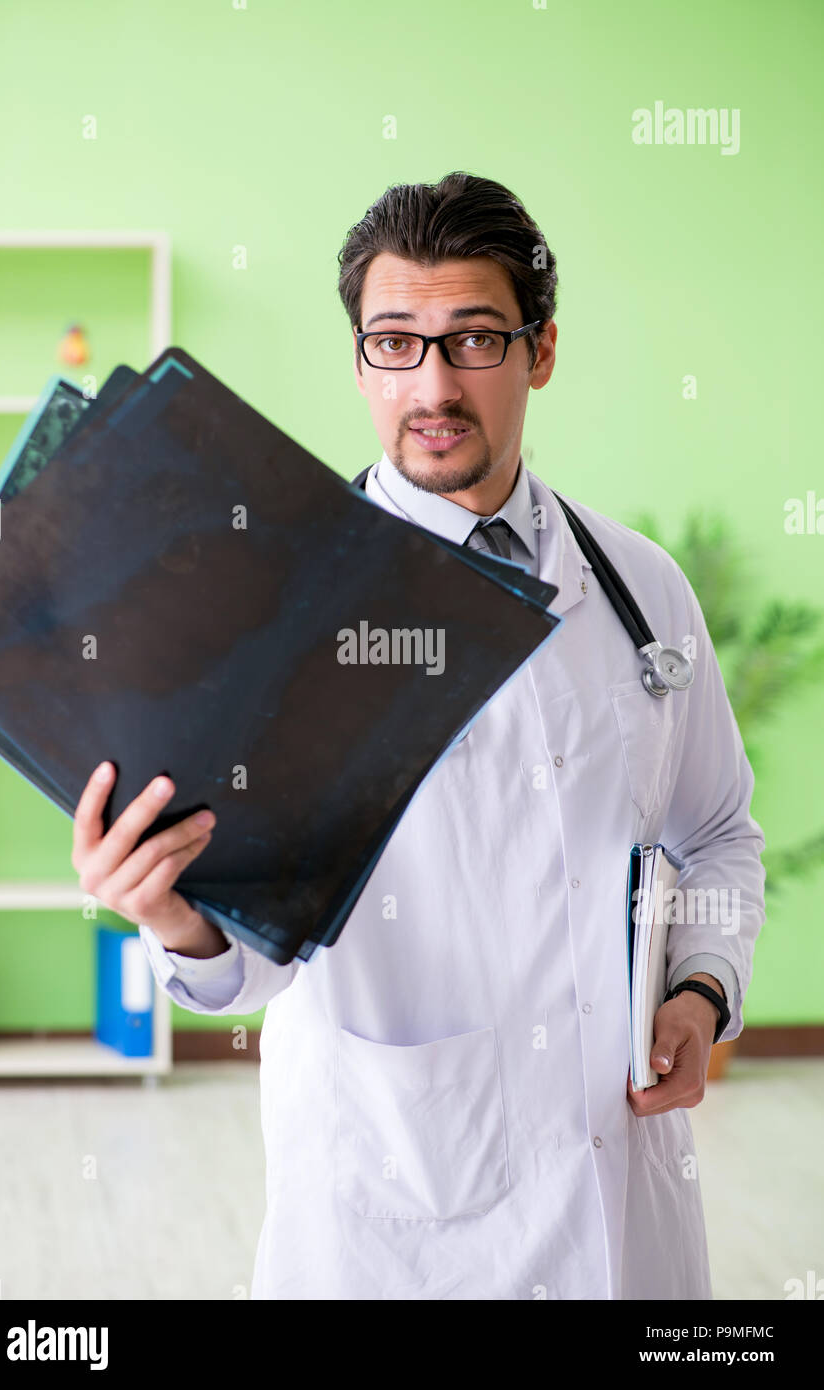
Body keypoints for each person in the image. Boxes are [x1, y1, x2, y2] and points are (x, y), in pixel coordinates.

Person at [71, 171, 765, 1300]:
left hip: (629, 1232)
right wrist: (163, 909)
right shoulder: (270, 620)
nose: (432, 384)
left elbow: (721, 832)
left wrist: (701, 992)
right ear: (359, 363)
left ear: (540, 353)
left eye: (474, 339)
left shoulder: (641, 588)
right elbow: (243, 964)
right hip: (395, 1236)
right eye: (393, 342)